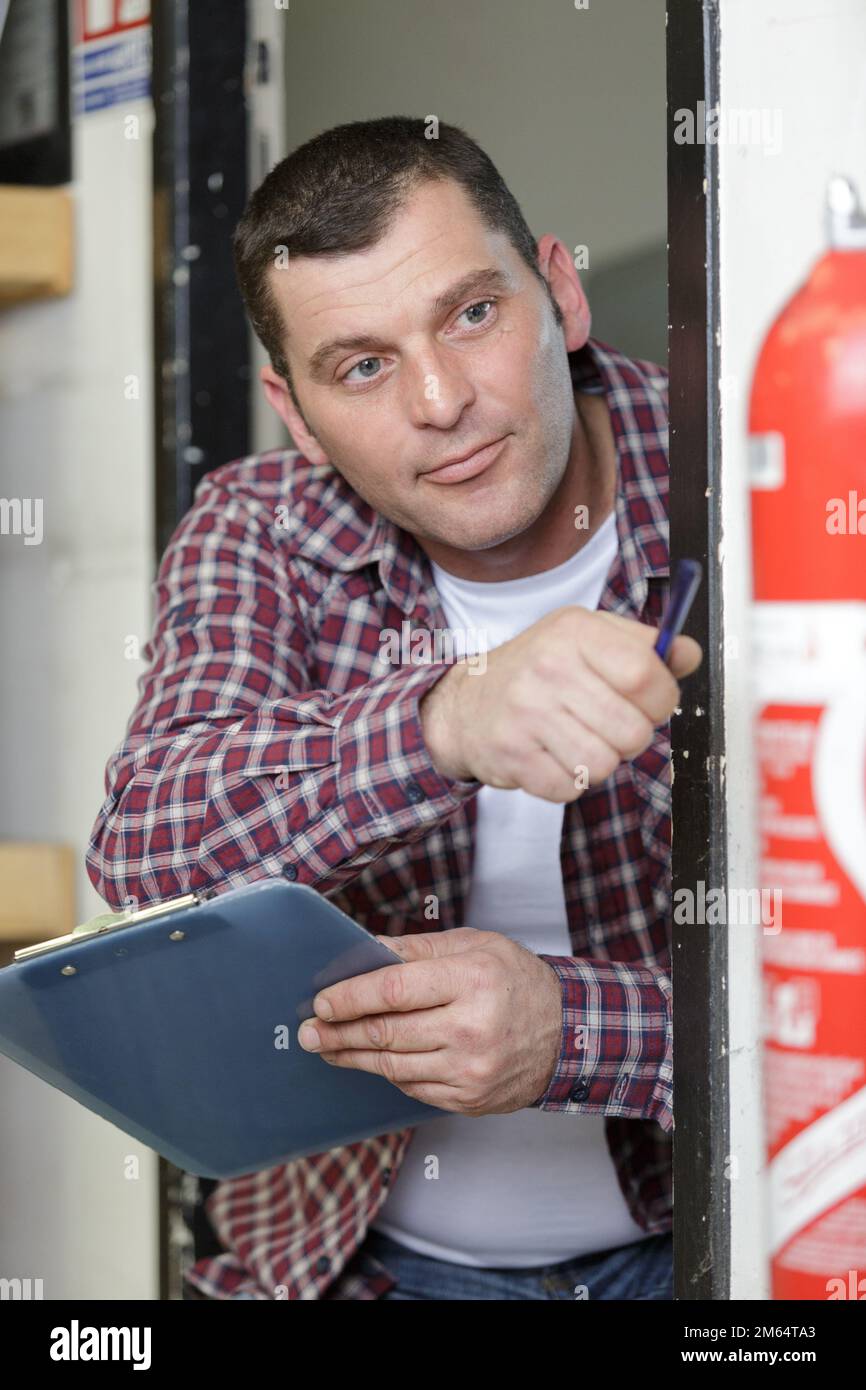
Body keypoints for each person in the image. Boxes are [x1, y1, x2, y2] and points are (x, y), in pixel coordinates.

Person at [86, 115, 702, 1301]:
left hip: (707, 1257)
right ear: (297, 414)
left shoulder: (748, 479)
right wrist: (442, 724)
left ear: (561, 294)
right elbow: (148, 848)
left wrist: (571, 1031)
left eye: (472, 314)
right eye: (360, 364)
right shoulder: (259, 522)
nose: (439, 401)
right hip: (359, 1265)